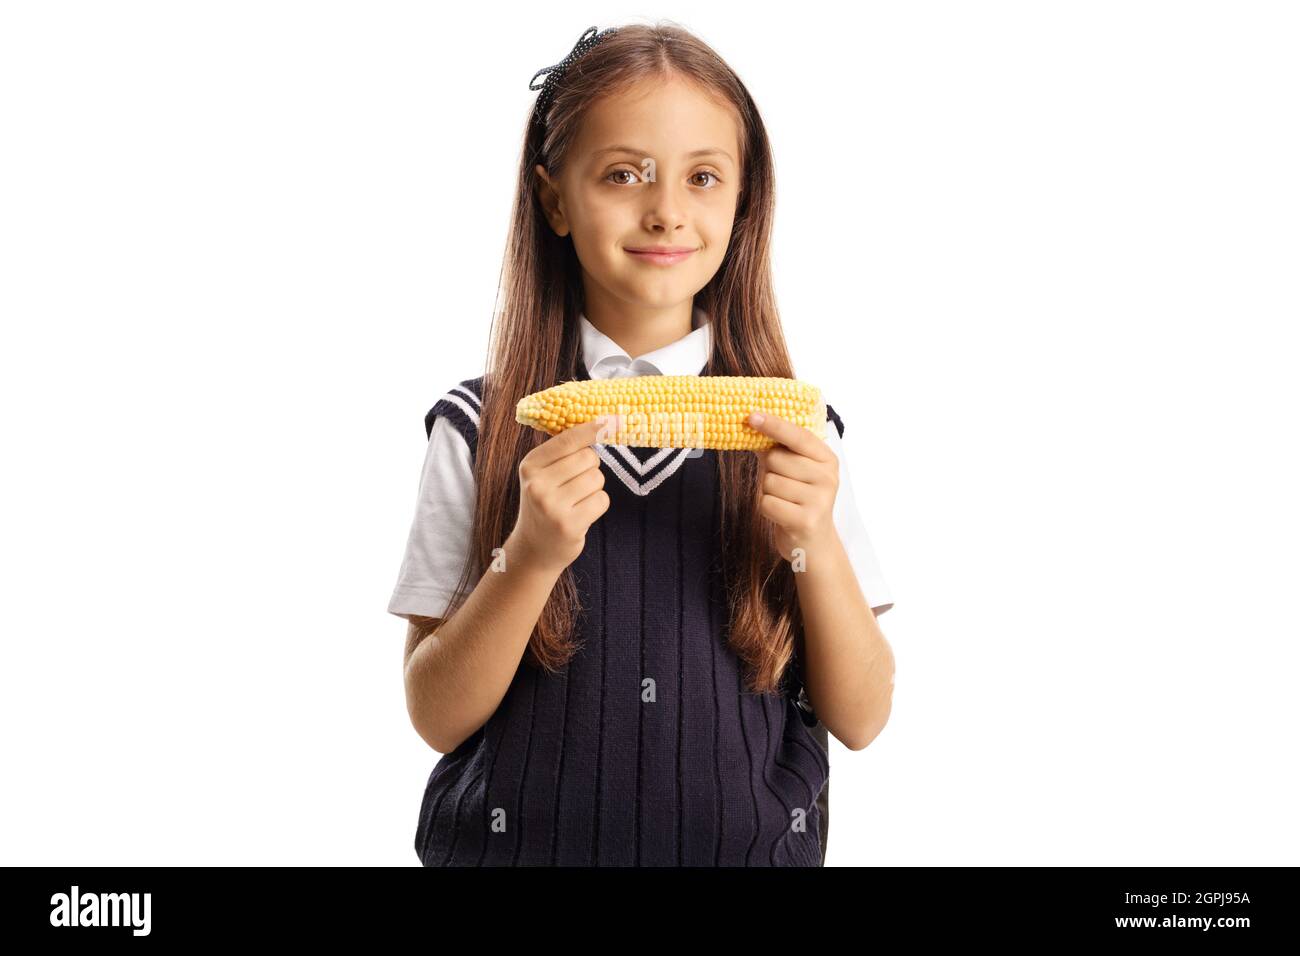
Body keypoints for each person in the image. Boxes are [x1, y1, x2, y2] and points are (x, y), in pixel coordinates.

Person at [388, 22, 895, 866]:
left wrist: (814, 542)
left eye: (703, 177)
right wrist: (531, 553)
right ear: (553, 198)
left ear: (742, 200)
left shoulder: (803, 434)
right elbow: (435, 715)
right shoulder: (476, 427)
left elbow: (864, 716)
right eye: (624, 174)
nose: (666, 210)